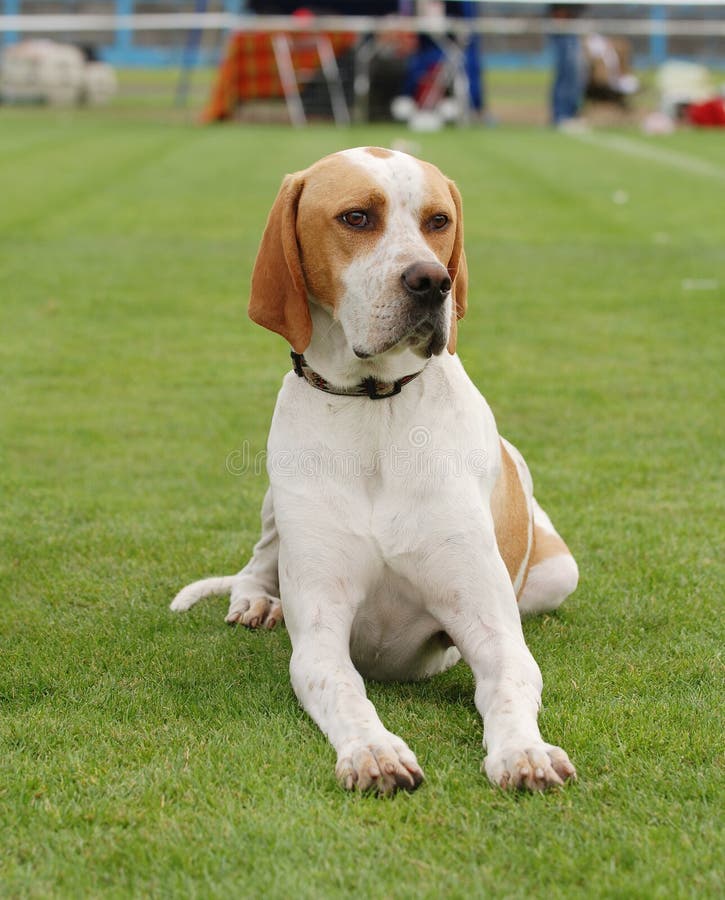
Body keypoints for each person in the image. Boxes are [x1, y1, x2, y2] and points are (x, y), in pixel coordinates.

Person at [549, 3, 585, 126]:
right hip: (563, 22)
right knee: (567, 70)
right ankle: (562, 115)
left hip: (571, 21)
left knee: (575, 71)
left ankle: (570, 113)